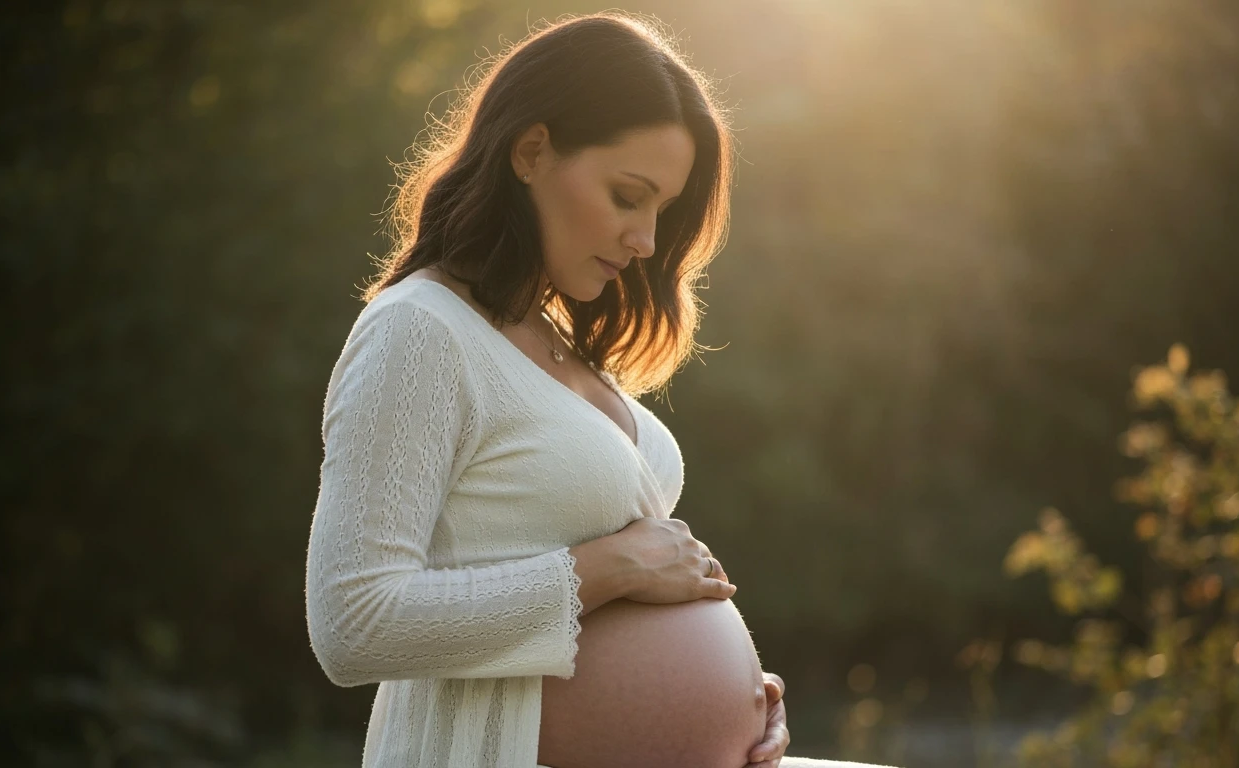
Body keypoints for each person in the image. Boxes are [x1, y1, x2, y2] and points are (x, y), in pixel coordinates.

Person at [304, 12, 898, 768]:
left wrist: (747, 705)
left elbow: (623, 625)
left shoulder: (554, 340)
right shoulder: (420, 331)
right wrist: (616, 568)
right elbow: (355, 623)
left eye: (663, 209)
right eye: (628, 195)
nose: (648, 240)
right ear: (531, 152)